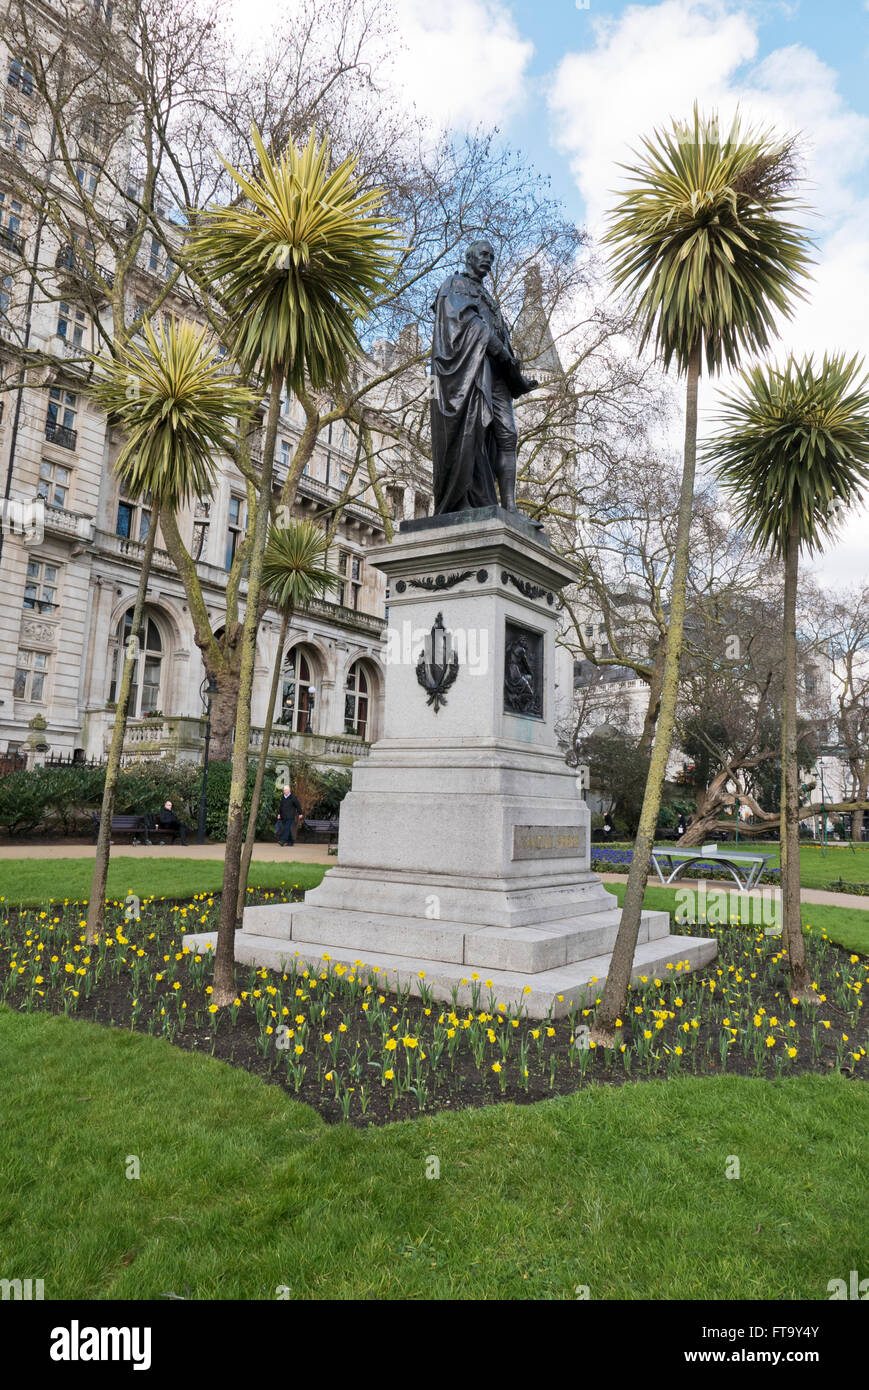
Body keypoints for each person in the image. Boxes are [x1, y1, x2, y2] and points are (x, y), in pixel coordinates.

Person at [430, 239, 538, 516]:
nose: (488, 259)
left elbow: (499, 334)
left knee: (508, 435)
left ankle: (510, 507)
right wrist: (501, 353)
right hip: (472, 372)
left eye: (492, 256)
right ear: (468, 257)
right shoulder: (455, 285)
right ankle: (468, 498)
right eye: (483, 254)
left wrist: (518, 377)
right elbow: (468, 325)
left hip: (498, 375)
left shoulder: (488, 297)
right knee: (475, 432)